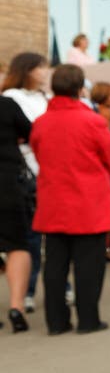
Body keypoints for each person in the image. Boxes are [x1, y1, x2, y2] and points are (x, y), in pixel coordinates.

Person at [31, 64, 110, 335]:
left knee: (55, 265)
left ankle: (56, 322)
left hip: (53, 201)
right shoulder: (92, 121)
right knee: (88, 265)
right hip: (88, 201)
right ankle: (88, 319)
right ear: (80, 88)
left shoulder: (41, 122)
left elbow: (38, 153)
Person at [1, 52, 49, 314]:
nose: (44, 72)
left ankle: (55, 287)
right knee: (26, 237)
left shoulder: (43, 98)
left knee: (46, 234)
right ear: (26, 70)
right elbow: (32, 134)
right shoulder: (10, 100)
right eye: (40, 68)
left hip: (41, 173)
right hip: (22, 175)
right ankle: (24, 295)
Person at [0, 96, 33, 332]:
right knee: (17, 245)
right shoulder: (6, 105)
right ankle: (16, 307)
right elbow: (30, 133)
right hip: (6, 182)